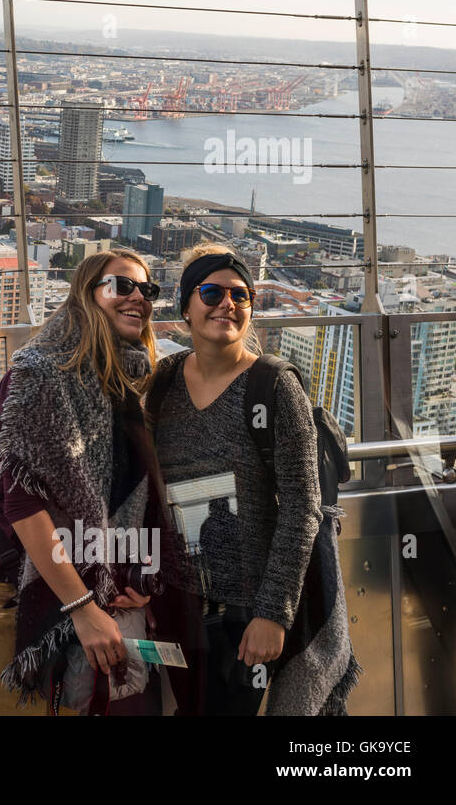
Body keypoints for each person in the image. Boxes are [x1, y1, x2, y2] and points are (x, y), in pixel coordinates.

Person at [0, 248, 195, 715]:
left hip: (74, 592)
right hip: (10, 593)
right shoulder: (42, 375)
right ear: (86, 294)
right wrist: (82, 607)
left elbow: (121, 495)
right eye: (122, 285)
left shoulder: (124, 380)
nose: (138, 297)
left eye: (148, 289)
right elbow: (23, 506)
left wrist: (134, 571)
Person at [148, 243, 358, 715]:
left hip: (246, 610)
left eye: (240, 295)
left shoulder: (273, 385)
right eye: (211, 292)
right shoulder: (163, 382)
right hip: (181, 601)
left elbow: (304, 505)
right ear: (185, 306)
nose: (227, 304)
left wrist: (271, 613)